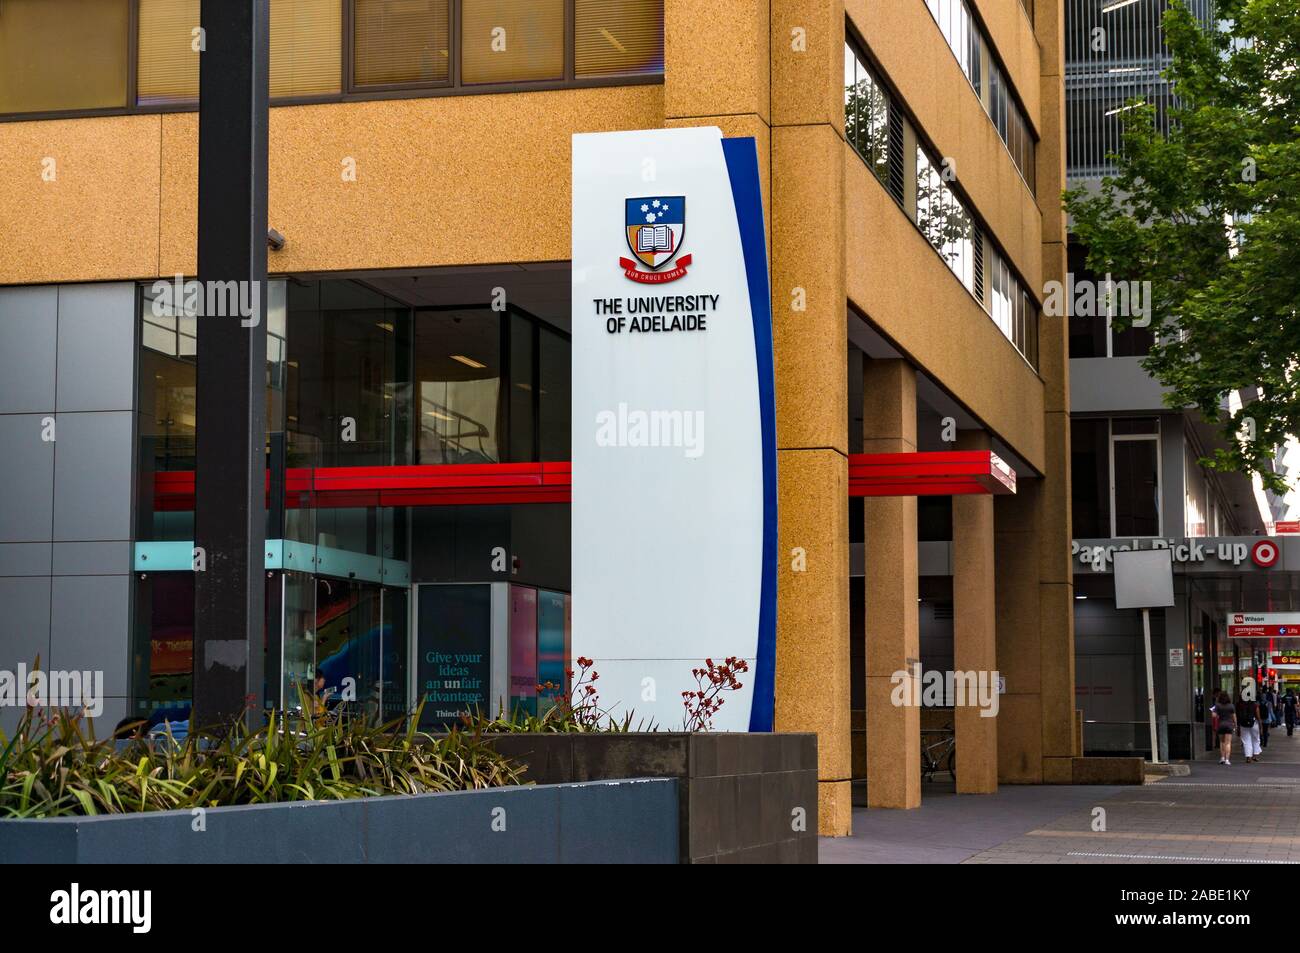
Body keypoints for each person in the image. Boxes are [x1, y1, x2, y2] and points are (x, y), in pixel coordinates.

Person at [1212, 692, 1236, 765]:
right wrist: (1235, 724)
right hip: (1229, 725)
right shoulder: (1231, 706)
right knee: (1228, 743)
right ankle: (1227, 760)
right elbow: (1234, 717)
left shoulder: (1217, 705)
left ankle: (1222, 758)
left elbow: (1214, 715)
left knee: (1222, 742)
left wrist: (1214, 711)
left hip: (1221, 725)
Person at [1238, 693, 1262, 762]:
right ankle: (1255, 756)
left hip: (1243, 724)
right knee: (1256, 739)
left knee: (1246, 741)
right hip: (1254, 724)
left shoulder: (1240, 705)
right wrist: (1261, 727)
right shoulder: (1255, 705)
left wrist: (1238, 727)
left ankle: (1248, 757)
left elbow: (1239, 717)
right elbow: (1258, 717)